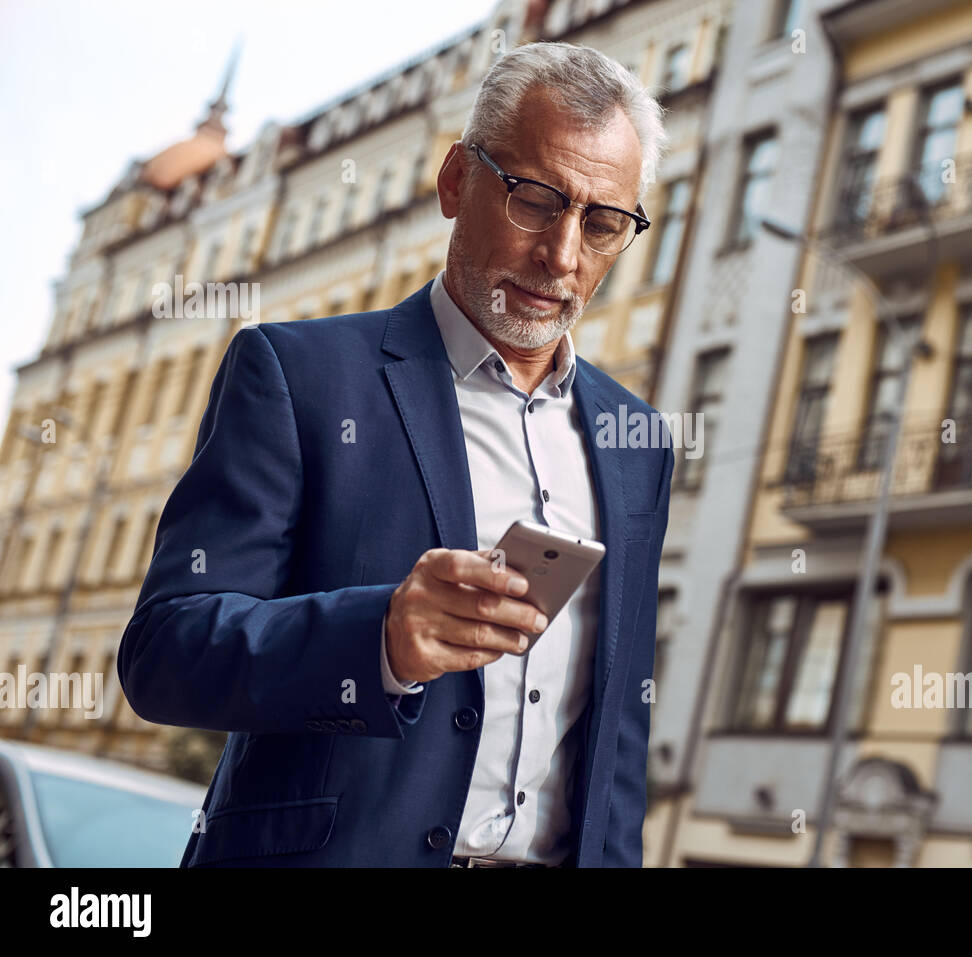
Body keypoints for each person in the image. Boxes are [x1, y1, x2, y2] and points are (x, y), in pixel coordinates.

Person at [118, 40, 674, 868]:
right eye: (534, 199)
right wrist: (378, 639)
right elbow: (167, 652)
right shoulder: (296, 374)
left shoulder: (639, 442)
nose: (562, 256)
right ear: (456, 181)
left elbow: (617, 736)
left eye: (601, 223)